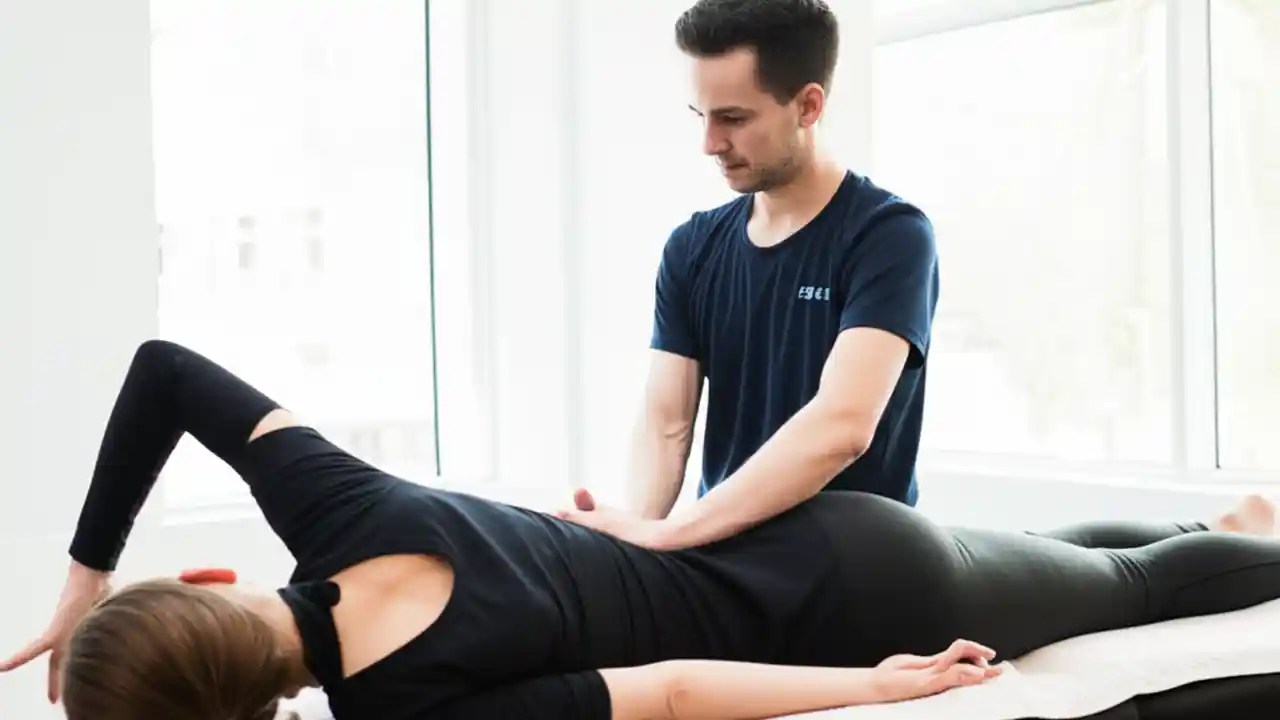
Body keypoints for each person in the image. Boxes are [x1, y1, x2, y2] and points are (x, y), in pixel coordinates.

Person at [3, 340, 1280, 720]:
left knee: (1119, 574)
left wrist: (867, 684)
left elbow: (661, 691)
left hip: (843, 600)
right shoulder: (339, 510)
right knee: (1099, 566)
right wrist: (84, 585)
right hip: (824, 549)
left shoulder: (406, 717)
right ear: (209, 588)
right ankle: (1222, 523)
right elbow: (165, 373)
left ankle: (1226, 532)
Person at [561, 0, 939, 550]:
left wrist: (671, 536)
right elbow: (668, 425)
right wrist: (632, 542)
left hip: (859, 558)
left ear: (808, 106)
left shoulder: (889, 235)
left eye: (733, 119)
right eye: (702, 116)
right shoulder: (692, 248)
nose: (710, 143)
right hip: (727, 552)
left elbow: (843, 428)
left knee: (1107, 555)